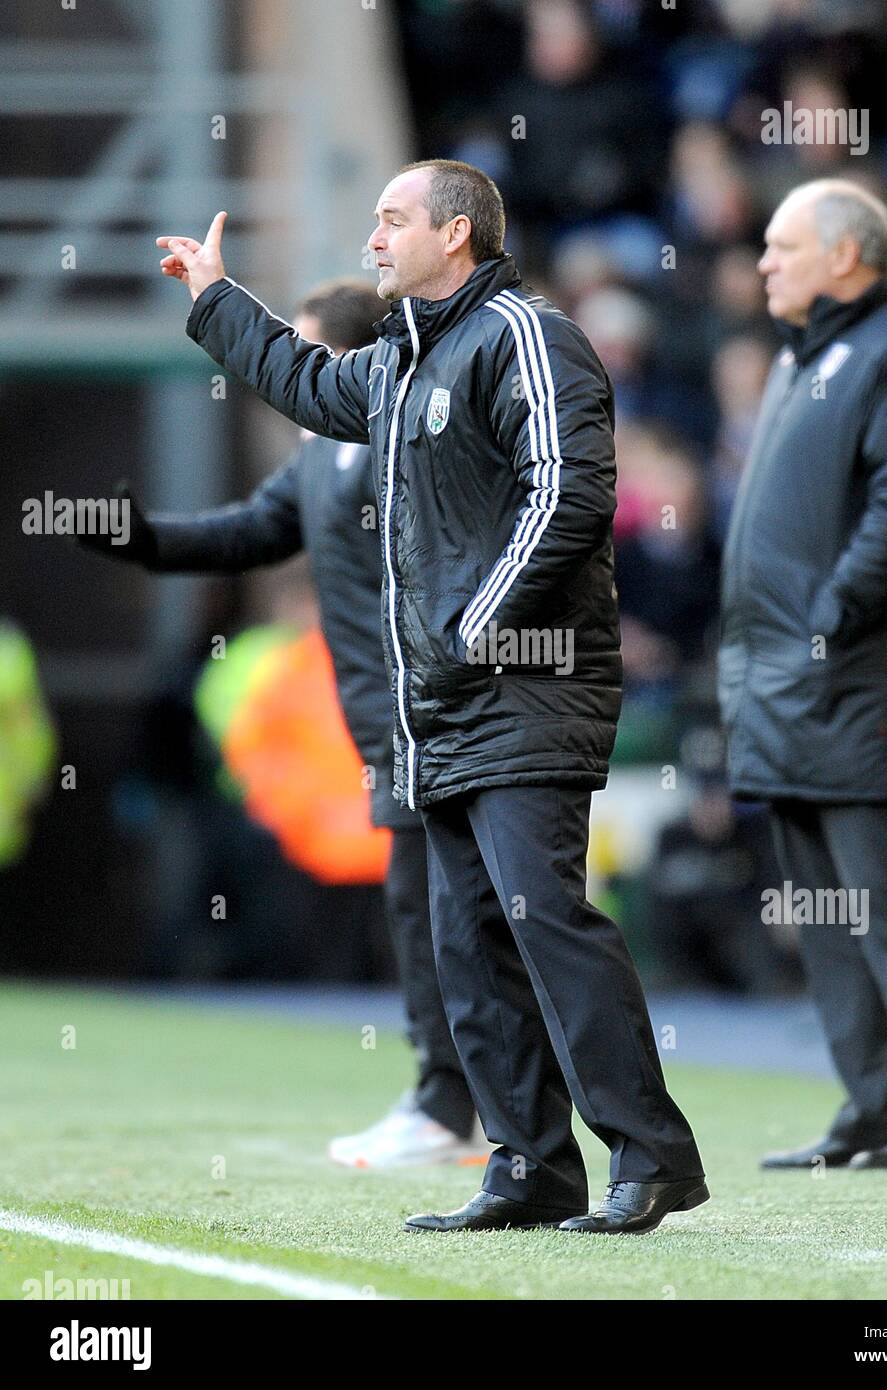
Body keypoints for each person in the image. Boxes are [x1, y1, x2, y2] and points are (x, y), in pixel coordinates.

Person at [155, 159, 708, 1233]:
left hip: (529, 689)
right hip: (441, 706)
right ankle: (528, 1166)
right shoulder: (397, 362)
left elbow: (569, 491)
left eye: (391, 218)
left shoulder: (526, 335)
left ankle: (652, 1155)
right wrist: (217, 299)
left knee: (542, 916)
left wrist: (474, 628)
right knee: (466, 938)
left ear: (456, 234)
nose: (372, 238)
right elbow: (303, 381)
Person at [77, 277, 486, 1171]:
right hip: (385, 727)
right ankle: (454, 1101)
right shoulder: (318, 462)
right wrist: (138, 536)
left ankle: (455, 1105)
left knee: (448, 916)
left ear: (340, 359)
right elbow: (244, 534)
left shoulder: (397, 439)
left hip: (439, 714)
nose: (286, 374)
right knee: (427, 913)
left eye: (301, 351)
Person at [718, 178, 887, 1169]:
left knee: (884, 899)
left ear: (846, 254)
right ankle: (872, 1105)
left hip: (855, 683)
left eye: (782, 246)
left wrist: (830, 617)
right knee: (822, 912)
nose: (762, 263)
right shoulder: (806, 361)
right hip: (784, 684)